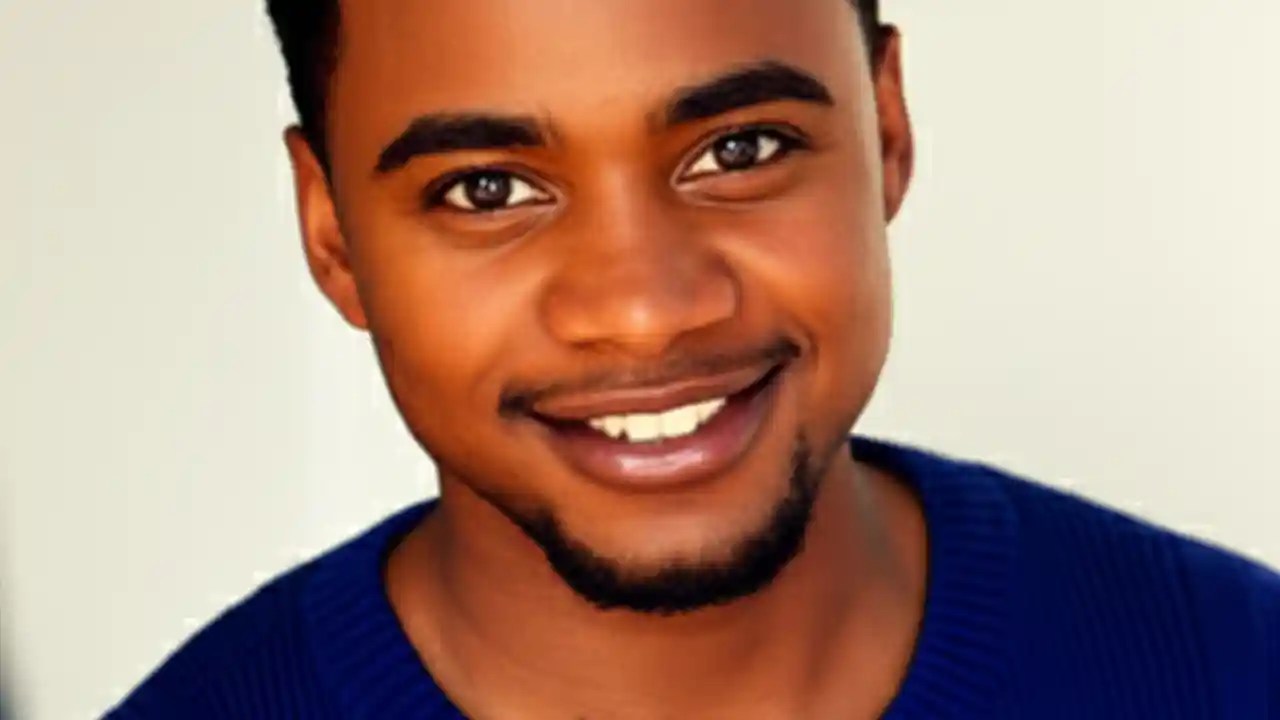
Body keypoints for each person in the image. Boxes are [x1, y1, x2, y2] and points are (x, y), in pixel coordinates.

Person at [109, 0, 1280, 717]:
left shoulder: (1236, 670)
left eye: (740, 148)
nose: (643, 311)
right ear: (332, 236)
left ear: (886, 128)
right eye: (487, 189)